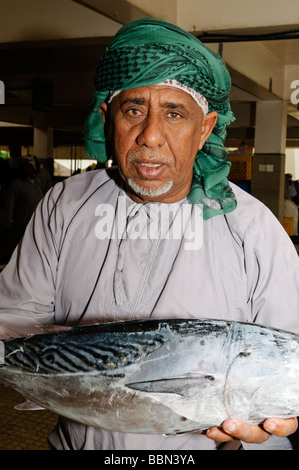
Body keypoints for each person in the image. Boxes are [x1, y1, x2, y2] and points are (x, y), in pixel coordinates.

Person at [0, 18, 298, 450]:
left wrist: (262, 431)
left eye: (174, 113)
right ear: (108, 118)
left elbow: (282, 363)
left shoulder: (251, 228)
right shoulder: (66, 203)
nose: (150, 136)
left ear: (206, 128)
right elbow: (13, 317)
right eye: (134, 110)